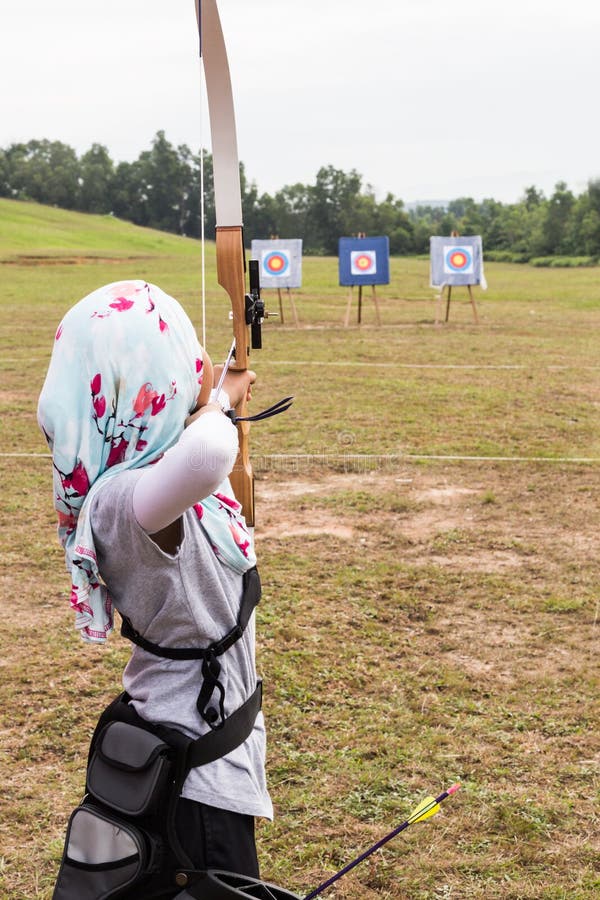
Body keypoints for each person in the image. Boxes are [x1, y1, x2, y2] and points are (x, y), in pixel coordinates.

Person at [38, 279, 272, 898]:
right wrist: (217, 404)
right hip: (192, 772)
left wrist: (221, 393)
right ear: (146, 381)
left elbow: (203, 458)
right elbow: (208, 455)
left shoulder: (154, 472)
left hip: (200, 745)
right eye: (181, 359)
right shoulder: (123, 499)